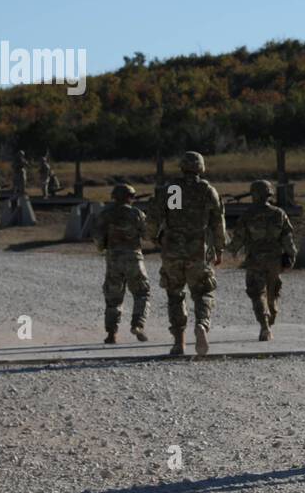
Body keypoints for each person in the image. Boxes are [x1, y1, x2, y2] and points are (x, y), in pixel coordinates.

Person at [148, 151, 226, 356]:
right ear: (201, 168)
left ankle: (178, 341)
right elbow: (218, 222)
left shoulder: (172, 189)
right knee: (203, 292)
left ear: (181, 167)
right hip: (198, 250)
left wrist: (154, 237)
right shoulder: (207, 190)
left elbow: (155, 217)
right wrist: (219, 248)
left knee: (175, 294)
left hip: (172, 249)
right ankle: (202, 324)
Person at [227, 180, 297, 340]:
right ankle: (271, 313)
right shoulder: (279, 213)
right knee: (273, 292)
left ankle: (264, 326)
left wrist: (229, 251)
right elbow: (288, 238)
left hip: (255, 260)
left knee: (257, 293)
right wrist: (291, 255)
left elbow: (238, 239)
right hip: (275, 261)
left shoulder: (247, 215)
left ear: (254, 195)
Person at [92, 184, 151, 344]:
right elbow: (147, 235)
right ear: (130, 197)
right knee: (141, 293)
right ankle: (138, 324)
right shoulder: (136, 213)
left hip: (113, 259)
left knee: (113, 298)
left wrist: (103, 248)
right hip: (134, 258)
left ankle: (111, 333)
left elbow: (98, 238)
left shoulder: (105, 214)